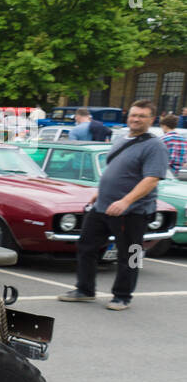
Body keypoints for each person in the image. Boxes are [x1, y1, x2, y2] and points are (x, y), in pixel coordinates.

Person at [58, 100, 168, 310]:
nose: (136, 119)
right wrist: (100, 193)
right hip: (103, 207)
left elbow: (152, 179)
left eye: (142, 116)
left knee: (132, 253)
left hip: (133, 211)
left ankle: (123, 296)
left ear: (151, 119)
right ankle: (85, 290)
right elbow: (118, 171)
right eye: (134, 115)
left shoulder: (155, 146)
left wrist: (126, 201)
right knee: (86, 246)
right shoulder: (121, 139)